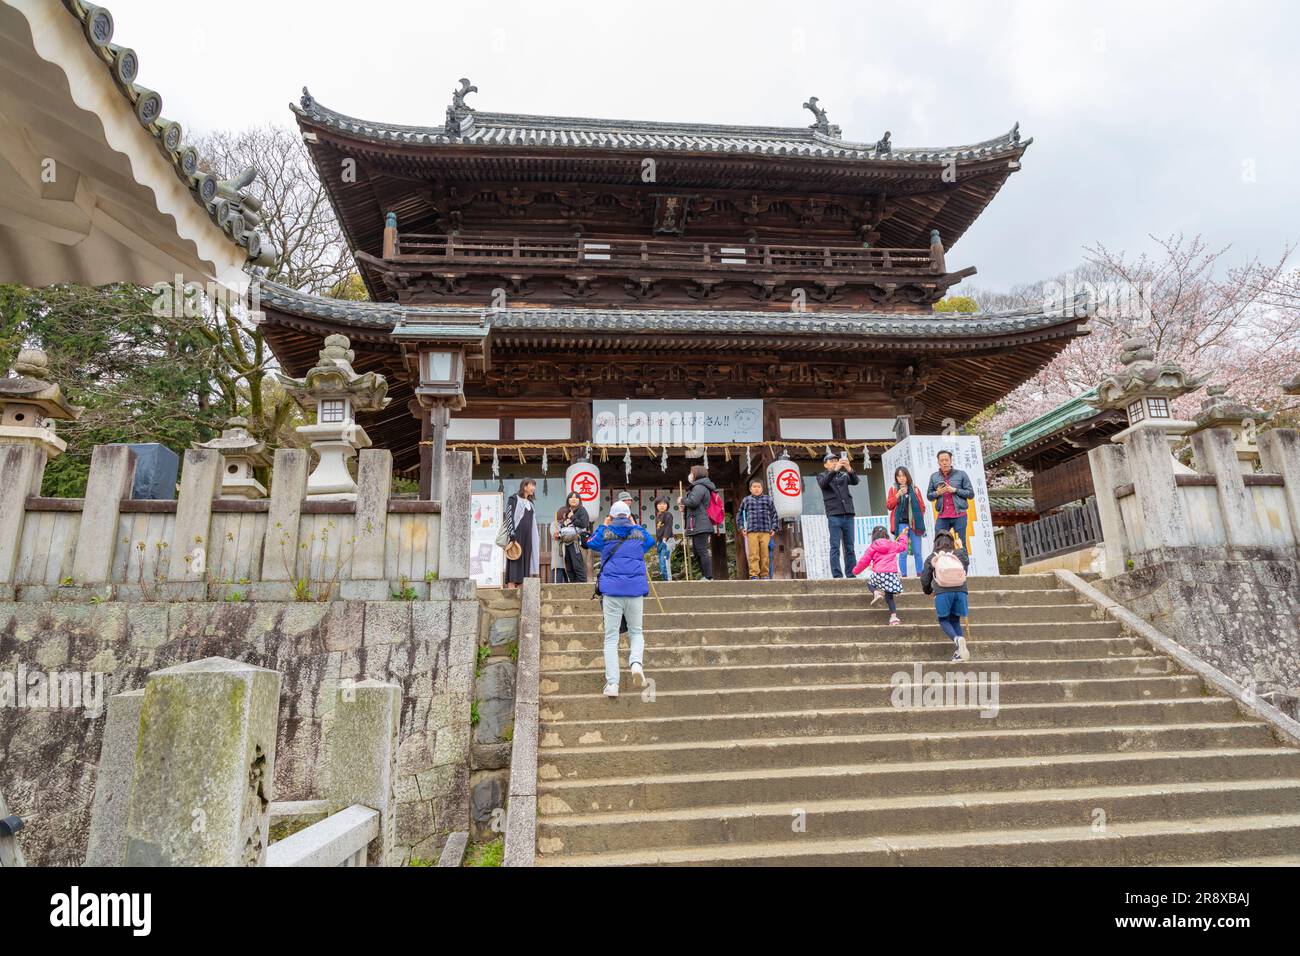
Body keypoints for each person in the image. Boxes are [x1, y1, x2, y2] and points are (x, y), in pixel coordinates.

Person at [583, 500, 657, 697]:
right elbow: (651, 542)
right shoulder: (638, 533)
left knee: (611, 638)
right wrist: (634, 524)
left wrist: (605, 524)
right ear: (628, 515)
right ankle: (635, 663)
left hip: (612, 591)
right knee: (636, 631)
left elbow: (589, 542)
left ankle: (613, 684)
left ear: (612, 516)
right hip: (635, 591)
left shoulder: (606, 533)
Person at [920, 531, 972, 661]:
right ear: (951, 542)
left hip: (943, 591)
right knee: (955, 619)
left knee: (944, 620)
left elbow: (925, 578)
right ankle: (960, 652)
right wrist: (961, 548)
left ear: (936, 543)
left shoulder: (933, 556)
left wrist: (928, 591)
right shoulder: (958, 553)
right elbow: (965, 569)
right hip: (961, 591)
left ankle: (957, 639)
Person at [852, 527, 910, 626]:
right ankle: (893, 617)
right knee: (889, 596)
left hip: (879, 574)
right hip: (891, 575)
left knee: (870, 584)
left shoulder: (872, 547)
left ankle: (876, 593)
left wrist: (855, 571)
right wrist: (903, 535)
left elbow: (864, 561)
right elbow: (903, 546)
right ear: (886, 535)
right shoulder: (892, 544)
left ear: (873, 536)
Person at [816, 451, 859, 578]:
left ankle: (851, 574)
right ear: (825, 465)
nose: (835, 462)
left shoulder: (844, 475)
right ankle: (837, 575)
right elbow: (824, 484)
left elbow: (855, 481)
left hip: (848, 513)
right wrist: (835, 470)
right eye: (832, 461)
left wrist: (849, 468)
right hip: (834, 514)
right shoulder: (821, 476)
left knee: (850, 547)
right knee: (835, 547)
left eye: (836, 460)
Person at [927, 450, 975, 545]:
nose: (944, 462)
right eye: (942, 460)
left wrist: (955, 490)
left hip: (959, 515)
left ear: (951, 460)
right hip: (942, 516)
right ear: (938, 462)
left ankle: (962, 560)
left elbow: (970, 494)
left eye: (946, 460)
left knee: (961, 545)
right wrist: (937, 493)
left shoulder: (961, 474)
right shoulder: (934, 477)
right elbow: (929, 496)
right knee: (938, 544)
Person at [679, 464, 718, 580]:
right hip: (698, 522)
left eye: (691, 472)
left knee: (701, 550)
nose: (690, 475)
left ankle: (708, 576)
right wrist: (685, 507)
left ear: (697, 474)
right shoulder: (700, 486)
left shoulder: (699, 487)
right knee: (697, 551)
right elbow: (695, 504)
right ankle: (705, 575)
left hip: (700, 523)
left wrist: (682, 500)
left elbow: (693, 502)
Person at [886, 466, 927, 577]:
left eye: (903, 475)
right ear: (896, 478)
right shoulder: (894, 489)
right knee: (902, 552)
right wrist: (898, 494)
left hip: (914, 524)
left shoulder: (915, 488)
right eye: (899, 476)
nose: (901, 478)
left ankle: (920, 576)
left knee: (917, 552)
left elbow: (922, 507)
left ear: (907, 476)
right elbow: (889, 505)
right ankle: (903, 577)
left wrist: (917, 518)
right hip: (901, 524)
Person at [737, 478, 778, 580]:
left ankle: (765, 575)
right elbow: (739, 515)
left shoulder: (768, 499)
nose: (756, 489)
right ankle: (754, 575)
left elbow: (774, 514)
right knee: (753, 554)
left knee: (765, 554)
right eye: (754, 487)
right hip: (751, 531)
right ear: (750, 489)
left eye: (759, 487)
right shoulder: (746, 500)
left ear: (762, 488)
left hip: (766, 531)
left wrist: (774, 528)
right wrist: (742, 527)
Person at [503, 479, 540, 588]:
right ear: (524, 486)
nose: (534, 488)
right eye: (532, 485)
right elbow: (509, 516)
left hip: (528, 538)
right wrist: (512, 533)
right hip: (516, 536)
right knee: (514, 561)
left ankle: (520, 591)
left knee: (525, 563)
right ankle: (511, 591)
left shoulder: (531, 503)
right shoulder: (513, 499)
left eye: (534, 485)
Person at [553, 491, 591, 583]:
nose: (573, 499)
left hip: (576, 542)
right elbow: (564, 526)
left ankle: (582, 588)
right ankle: (573, 587)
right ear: (568, 500)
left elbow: (584, 524)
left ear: (579, 500)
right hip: (566, 543)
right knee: (569, 568)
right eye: (571, 497)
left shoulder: (582, 510)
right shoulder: (567, 512)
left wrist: (573, 517)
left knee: (577, 566)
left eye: (576, 497)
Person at [652, 496, 674, 581]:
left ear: (667, 505)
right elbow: (658, 531)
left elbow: (668, 527)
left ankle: (669, 582)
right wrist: (658, 541)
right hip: (661, 542)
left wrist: (664, 539)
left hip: (668, 541)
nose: (662, 506)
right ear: (656, 505)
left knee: (665, 563)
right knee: (661, 563)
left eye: (664, 504)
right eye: (659, 504)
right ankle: (665, 580)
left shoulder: (668, 515)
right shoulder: (658, 516)